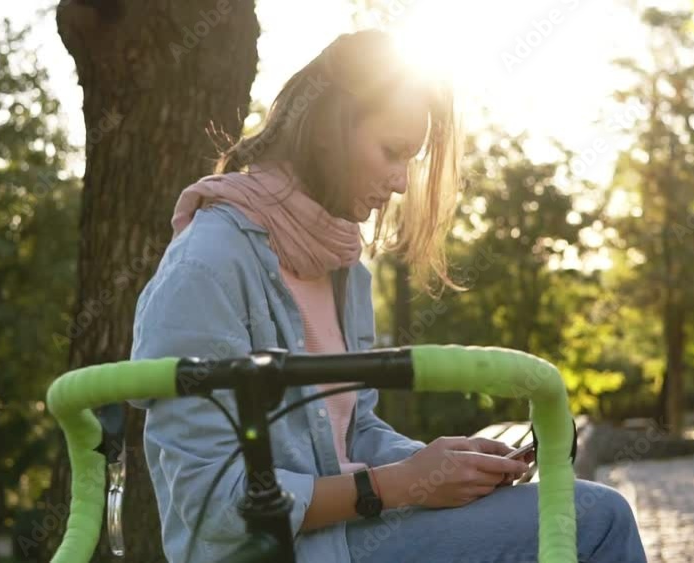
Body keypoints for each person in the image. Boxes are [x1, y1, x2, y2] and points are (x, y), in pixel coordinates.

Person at [128, 29, 647, 563]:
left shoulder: (343, 267)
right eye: (392, 152)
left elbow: (353, 431)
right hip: (283, 553)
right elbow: (209, 504)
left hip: (351, 535)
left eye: (411, 160)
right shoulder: (205, 266)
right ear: (330, 127)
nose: (401, 182)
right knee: (598, 521)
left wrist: (440, 466)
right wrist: (396, 486)